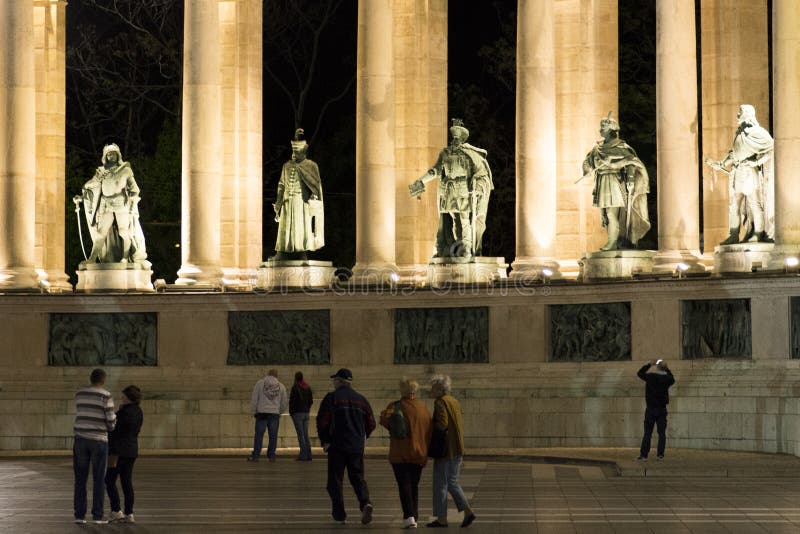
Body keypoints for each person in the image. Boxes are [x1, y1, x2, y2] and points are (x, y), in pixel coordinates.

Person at [408, 118, 493, 259]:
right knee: (455, 221)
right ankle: (460, 246)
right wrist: (421, 181)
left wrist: (478, 184)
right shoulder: (445, 153)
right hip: (449, 190)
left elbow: (481, 171)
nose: (455, 140)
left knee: (465, 219)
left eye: (458, 137)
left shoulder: (469, 154)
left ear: (463, 139)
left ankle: (467, 248)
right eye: (454, 137)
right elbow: (435, 170)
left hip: (463, 189)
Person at [705, 104, 775, 245]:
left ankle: (758, 233)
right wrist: (721, 164)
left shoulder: (758, 132)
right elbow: (734, 154)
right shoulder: (739, 133)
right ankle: (733, 234)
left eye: (740, 112)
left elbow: (772, 148)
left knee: (755, 203)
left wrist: (756, 162)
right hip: (738, 171)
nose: (737, 115)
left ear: (748, 114)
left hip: (749, 172)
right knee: (734, 205)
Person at [581, 113, 651, 251]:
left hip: (614, 182)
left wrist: (630, 178)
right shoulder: (597, 148)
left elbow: (631, 162)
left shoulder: (621, 146)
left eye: (603, 127)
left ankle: (613, 242)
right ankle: (613, 241)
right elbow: (587, 161)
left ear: (611, 130)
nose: (600, 130)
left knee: (611, 214)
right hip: (601, 181)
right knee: (605, 215)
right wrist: (587, 170)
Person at [316, 368, 376, 525]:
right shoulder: (361, 400)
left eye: (334, 380)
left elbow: (322, 421)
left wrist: (325, 440)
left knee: (335, 481)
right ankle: (365, 502)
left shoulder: (332, 398)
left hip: (337, 445)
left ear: (339, 381)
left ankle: (339, 515)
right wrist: (362, 436)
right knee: (357, 477)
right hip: (356, 446)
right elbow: (371, 422)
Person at [74, 143, 147, 263]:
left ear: (118, 155)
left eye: (113, 154)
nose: (110, 156)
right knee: (100, 233)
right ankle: (92, 258)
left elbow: (135, 188)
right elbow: (91, 186)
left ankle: (125, 257)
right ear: (105, 157)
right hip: (105, 204)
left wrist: (133, 197)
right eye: (108, 154)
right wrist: (82, 197)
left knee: (124, 231)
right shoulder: (101, 172)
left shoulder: (126, 170)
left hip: (121, 203)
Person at [379, 378, 432, 529]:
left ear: (403, 390)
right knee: (414, 485)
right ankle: (414, 515)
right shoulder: (423, 407)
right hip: (419, 452)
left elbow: (384, 420)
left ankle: (409, 516)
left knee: (404, 485)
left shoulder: (395, 406)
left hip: (400, 452)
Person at [427, 374, 476, 528]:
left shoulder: (440, 402)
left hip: (446, 450)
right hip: (457, 448)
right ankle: (467, 511)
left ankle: (442, 518)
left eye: (433, 387)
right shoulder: (454, 401)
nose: (431, 390)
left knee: (440, 483)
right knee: (452, 481)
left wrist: (430, 427)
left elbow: (442, 423)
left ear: (440, 389)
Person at [272, 128, 325, 260]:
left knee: (301, 227)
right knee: (285, 228)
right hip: (287, 201)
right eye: (294, 151)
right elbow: (281, 184)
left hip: (301, 202)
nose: (295, 154)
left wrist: (314, 195)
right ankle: (282, 252)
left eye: (297, 151)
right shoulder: (286, 165)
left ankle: (301, 252)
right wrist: (279, 201)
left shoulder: (311, 166)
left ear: (304, 151)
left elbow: (316, 185)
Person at [73, 368, 116, 524]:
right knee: (98, 479)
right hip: (98, 440)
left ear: (91, 379)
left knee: (80, 479)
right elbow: (110, 421)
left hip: (80, 438)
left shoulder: (79, 394)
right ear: (103, 380)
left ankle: (79, 515)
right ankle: (97, 516)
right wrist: (112, 423)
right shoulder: (106, 395)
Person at [105, 385, 143, 523]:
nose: (121, 398)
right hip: (131, 450)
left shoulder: (123, 413)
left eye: (124, 396)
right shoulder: (139, 411)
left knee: (109, 480)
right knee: (126, 482)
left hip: (117, 452)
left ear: (129, 397)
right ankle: (129, 513)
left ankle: (116, 510)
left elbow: (113, 429)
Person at [637, 359, 676, 461]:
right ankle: (660, 455)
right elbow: (673, 379)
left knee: (647, 433)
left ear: (657, 367)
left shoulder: (651, 377)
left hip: (650, 408)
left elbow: (640, 373)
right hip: (662, 409)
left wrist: (650, 364)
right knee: (661, 433)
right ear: (665, 368)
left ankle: (644, 455)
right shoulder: (667, 379)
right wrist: (666, 368)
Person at [248, 369, 288, 462]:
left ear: (268, 374)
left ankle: (256, 456)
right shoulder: (281, 386)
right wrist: (280, 412)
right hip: (274, 414)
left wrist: (254, 411)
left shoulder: (260, 383)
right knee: (273, 436)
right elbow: (284, 402)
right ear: (277, 375)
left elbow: (254, 398)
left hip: (262, 413)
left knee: (259, 436)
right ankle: (271, 455)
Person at [289, 371, 314, 461]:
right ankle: (309, 455)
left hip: (297, 413)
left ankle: (303, 455)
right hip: (306, 413)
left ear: (296, 378)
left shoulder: (295, 387)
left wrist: (291, 412)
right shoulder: (307, 387)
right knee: (305, 434)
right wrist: (307, 409)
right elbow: (311, 401)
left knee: (301, 435)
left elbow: (292, 401)